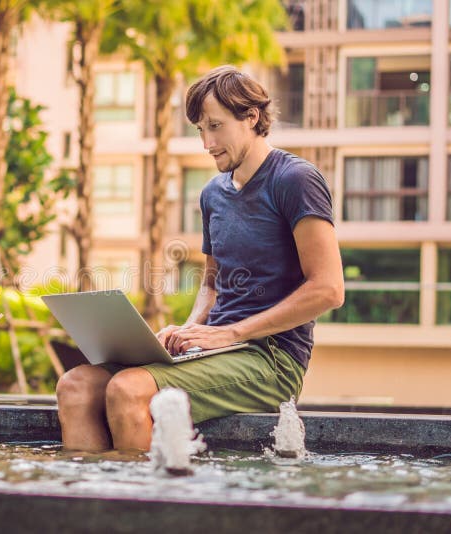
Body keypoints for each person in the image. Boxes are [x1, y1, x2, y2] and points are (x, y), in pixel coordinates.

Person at [56, 65, 344, 452]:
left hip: (271, 358)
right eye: (200, 130)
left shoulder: (295, 179)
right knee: (74, 386)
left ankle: (140, 507)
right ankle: (87, 507)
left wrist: (233, 332)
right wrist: (187, 332)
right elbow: (211, 282)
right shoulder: (212, 194)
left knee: (128, 389)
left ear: (251, 117)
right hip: (214, 349)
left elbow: (328, 289)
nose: (207, 143)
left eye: (215, 126)